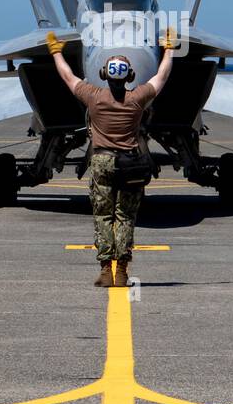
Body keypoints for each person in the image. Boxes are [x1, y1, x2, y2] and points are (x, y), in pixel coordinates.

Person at [47, 27, 176, 288]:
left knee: (103, 216)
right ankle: (123, 272)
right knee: (125, 217)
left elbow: (68, 77)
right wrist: (169, 50)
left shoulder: (93, 97)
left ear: (105, 75)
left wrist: (56, 53)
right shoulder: (137, 99)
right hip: (131, 163)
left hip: (101, 162)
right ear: (130, 75)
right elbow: (162, 76)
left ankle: (106, 270)